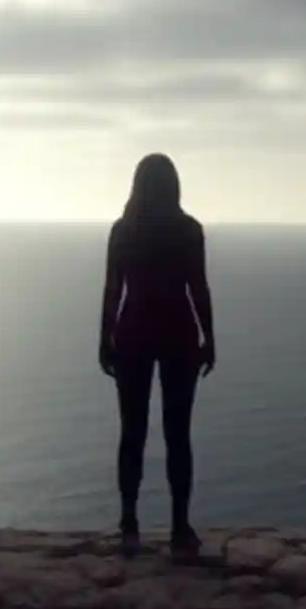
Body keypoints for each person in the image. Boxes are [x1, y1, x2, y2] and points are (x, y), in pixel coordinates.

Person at [98, 153, 215, 559]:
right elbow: (198, 287)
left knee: (132, 433)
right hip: (180, 332)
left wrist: (104, 338)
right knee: (177, 435)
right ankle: (180, 529)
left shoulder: (122, 231)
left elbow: (113, 288)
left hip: (132, 332)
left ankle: (129, 525)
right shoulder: (189, 230)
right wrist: (209, 338)